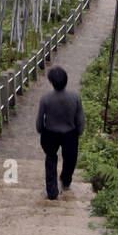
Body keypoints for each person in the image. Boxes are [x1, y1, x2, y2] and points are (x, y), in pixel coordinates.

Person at [36, 66, 84, 200]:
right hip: (70, 133)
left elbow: (40, 120)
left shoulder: (45, 99)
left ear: (51, 82)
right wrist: (79, 131)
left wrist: (40, 130)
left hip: (50, 133)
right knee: (70, 159)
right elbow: (80, 118)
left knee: (51, 159)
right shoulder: (75, 98)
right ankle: (66, 179)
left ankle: (52, 191)